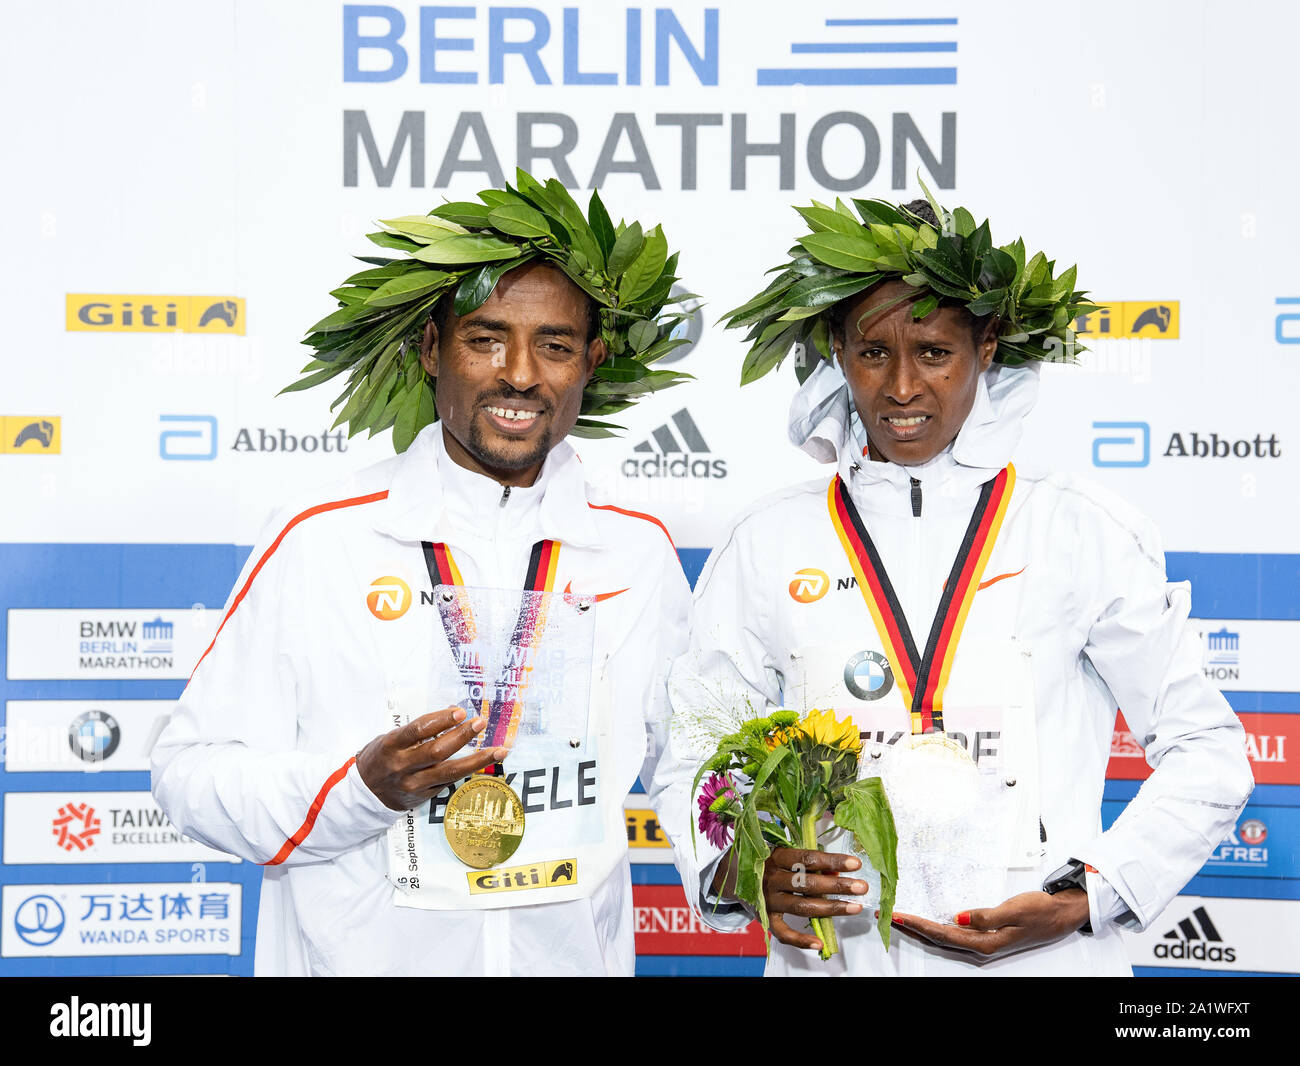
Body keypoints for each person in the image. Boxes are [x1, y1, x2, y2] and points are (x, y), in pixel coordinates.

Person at [650, 195, 1253, 976]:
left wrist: (1086, 896)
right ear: (835, 348)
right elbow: (694, 749)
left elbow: (1208, 747)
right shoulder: (766, 540)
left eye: (934, 351)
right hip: (840, 958)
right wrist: (743, 864)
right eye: (873, 352)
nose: (902, 388)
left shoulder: (1079, 529)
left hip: (1039, 961)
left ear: (988, 346)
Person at [152, 173, 692, 976]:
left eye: (554, 344)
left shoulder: (635, 552)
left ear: (591, 362)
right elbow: (188, 773)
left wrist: (749, 865)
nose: (519, 374)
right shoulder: (322, 538)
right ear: (432, 349)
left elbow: (691, 763)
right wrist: (359, 789)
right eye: (484, 338)